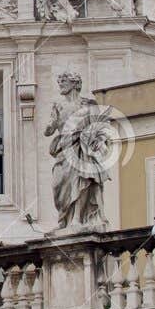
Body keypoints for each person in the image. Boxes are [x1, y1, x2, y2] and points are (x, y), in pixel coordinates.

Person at [46, 71, 113, 230]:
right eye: (59, 81)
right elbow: (49, 130)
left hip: (82, 148)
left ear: (75, 84)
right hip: (64, 149)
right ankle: (64, 218)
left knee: (81, 181)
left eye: (64, 81)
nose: (60, 84)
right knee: (59, 184)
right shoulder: (58, 106)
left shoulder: (88, 104)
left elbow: (100, 127)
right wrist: (51, 125)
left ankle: (76, 219)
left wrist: (96, 140)